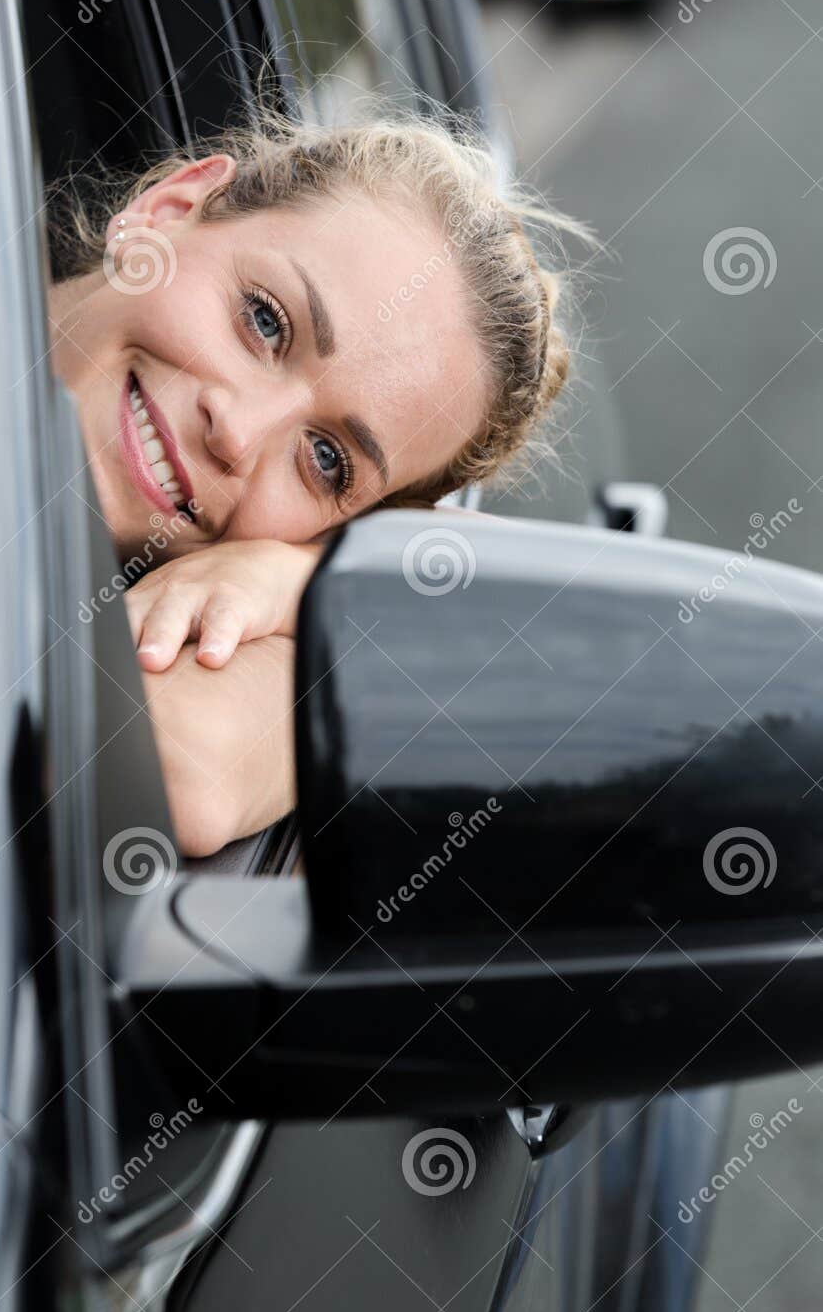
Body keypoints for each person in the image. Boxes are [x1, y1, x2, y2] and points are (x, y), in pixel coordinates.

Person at [46, 111, 584, 855]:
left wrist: (311, 581)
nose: (239, 433)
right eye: (265, 322)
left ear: (342, 528)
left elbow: (177, 768)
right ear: (165, 210)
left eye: (327, 460)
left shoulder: (255, 586)